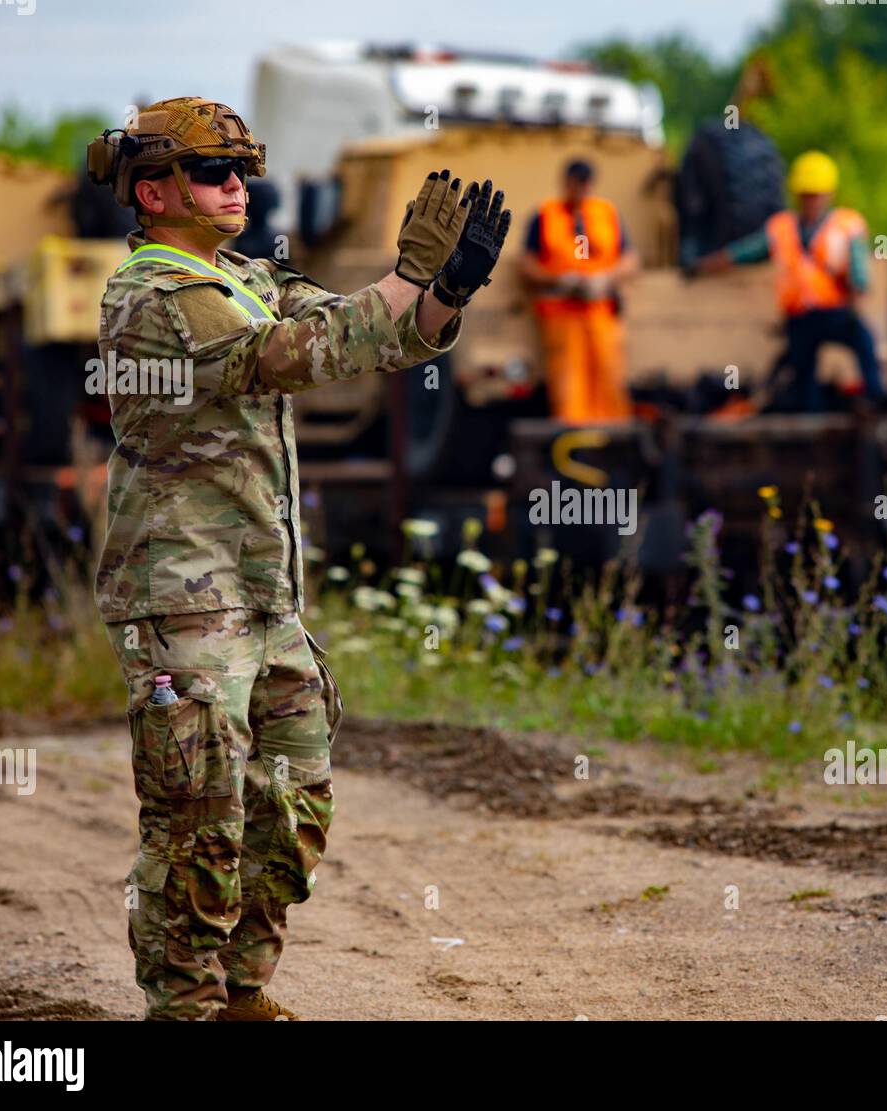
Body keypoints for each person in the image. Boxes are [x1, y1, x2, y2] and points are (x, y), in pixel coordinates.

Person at [85, 97, 510, 1020]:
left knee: (293, 803)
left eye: (242, 170)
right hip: (182, 600)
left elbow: (372, 335)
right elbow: (287, 354)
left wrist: (445, 290)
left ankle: (243, 993)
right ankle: (187, 1006)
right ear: (152, 192)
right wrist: (406, 274)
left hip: (265, 599)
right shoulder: (151, 298)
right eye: (211, 172)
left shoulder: (241, 275)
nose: (236, 186)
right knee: (200, 821)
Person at [692, 150, 887, 413]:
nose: (812, 201)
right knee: (803, 373)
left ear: (829, 194)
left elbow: (857, 267)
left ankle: (875, 397)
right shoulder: (781, 228)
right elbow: (747, 252)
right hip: (801, 317)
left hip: (835, 312)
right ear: (798, 195)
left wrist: (858, 290)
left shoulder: (846, 225)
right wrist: (707, 265)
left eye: (816, 194)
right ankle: (812, 416)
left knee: (863, 340)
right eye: (807, 194)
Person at [519, 159, 639, 423]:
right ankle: (572, 437)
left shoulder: (606, 213)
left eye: (585, 185)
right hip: (562, 315)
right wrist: (558, 280)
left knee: (609, 376)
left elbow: (629, 260)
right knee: (569, 380)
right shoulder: (545, 215)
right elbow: (526, 264)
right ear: (566, 183)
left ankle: (613, 434)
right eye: (576, 184)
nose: (580, 190)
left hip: (601, 314)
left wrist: (605, 279)